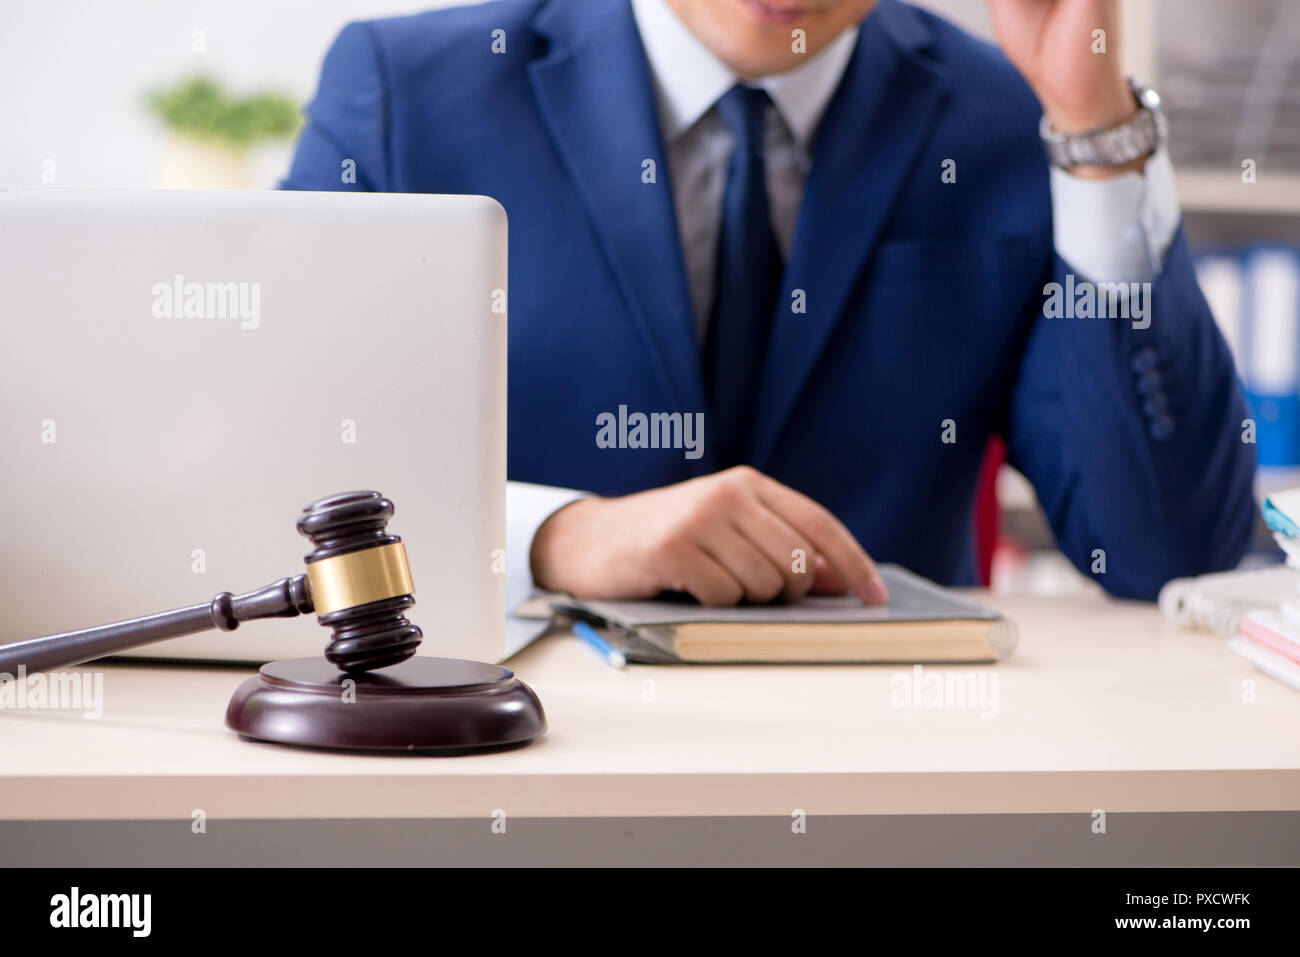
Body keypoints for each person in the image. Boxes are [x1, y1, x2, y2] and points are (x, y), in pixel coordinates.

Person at [284, 0, 1255, 613]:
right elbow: (274, 475)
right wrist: (552, 537)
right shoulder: (403, 95)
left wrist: (1095, 133)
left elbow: (1161, 551)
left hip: (885, 774)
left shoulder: (1008, 119)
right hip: (511, 749)